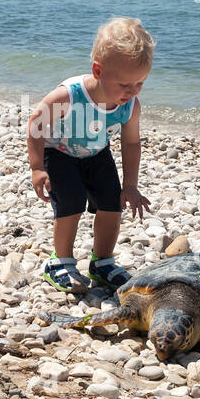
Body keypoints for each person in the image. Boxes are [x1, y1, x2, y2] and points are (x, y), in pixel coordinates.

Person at [26, 17, 153, 292]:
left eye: (140, 84)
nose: (132, 92)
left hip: (97, 152)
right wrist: (37, 167)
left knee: (111, 201)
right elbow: (36, 123)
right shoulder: (70, 96)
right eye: (124, 85)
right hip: (59, 151)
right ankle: (59, 262)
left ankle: (102, 262)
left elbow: (131, 144)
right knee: (71, 200)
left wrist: (130, 184)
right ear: (98, 70)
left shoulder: (129, 105)